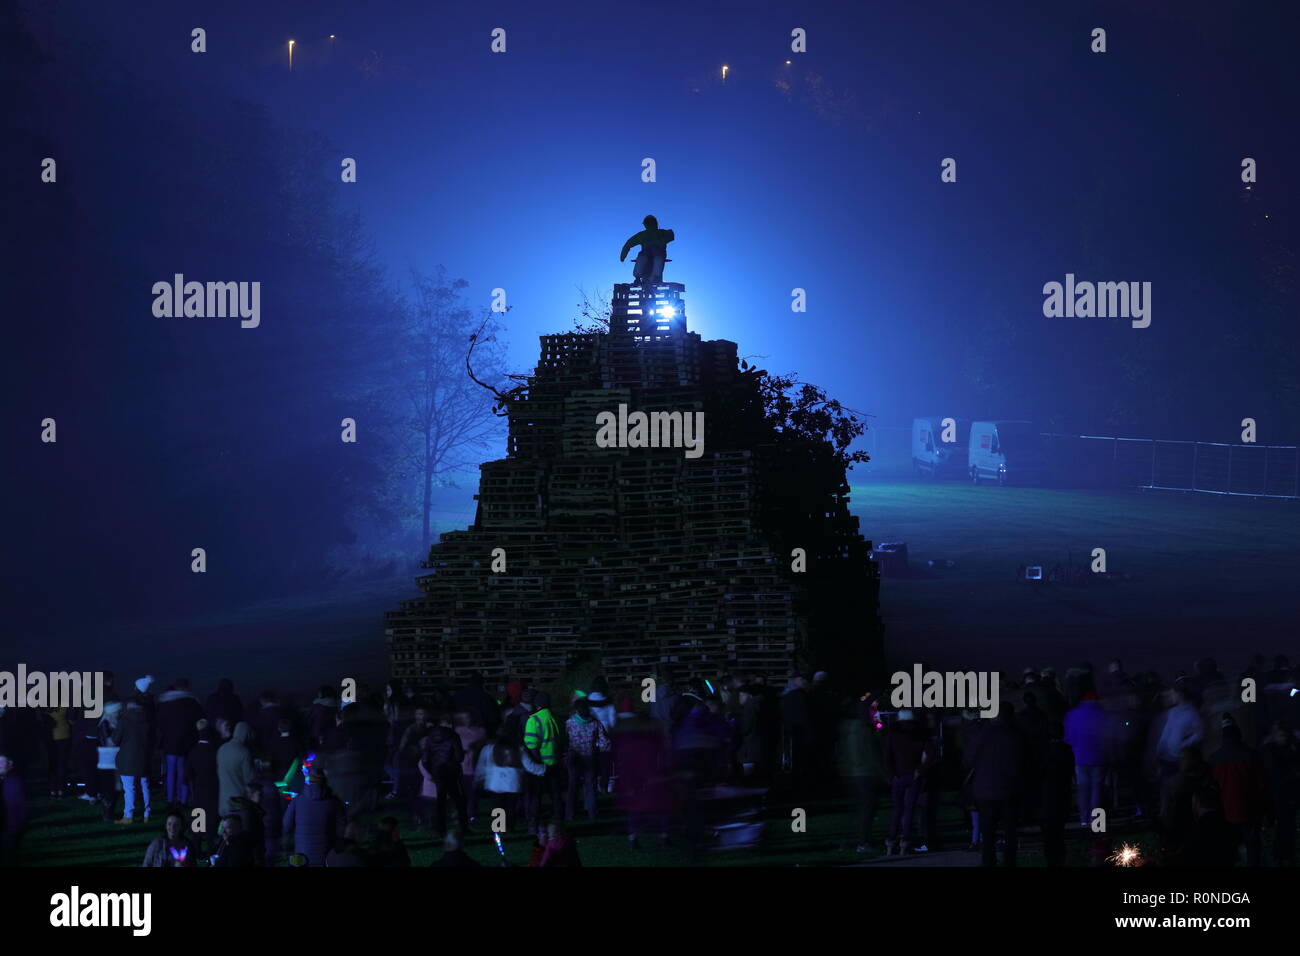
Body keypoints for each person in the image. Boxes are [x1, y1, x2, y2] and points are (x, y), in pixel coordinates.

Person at [837, 697, 885, 854]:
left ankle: (848, 842)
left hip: (851, 773)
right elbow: (872, 755)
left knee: (856, 810)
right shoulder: (865, 731)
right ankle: (863, 842)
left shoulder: (846, 728)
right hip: (865, 773)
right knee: (867, 810)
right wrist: (884, 774)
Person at [1064, 690, 1109, 828]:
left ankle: (1083, 820)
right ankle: (1097, 823)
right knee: (1097, 789)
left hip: (1079, 757)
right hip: (1099, 757)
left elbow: (1068, 737)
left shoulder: (1072, 715)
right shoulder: (1103, 714)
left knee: (1083, 789)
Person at [282, 769, 345, 867]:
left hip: (302, 855)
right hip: (326, 854)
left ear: (310, 781)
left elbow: (286, 825)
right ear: (325, 781)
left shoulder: (297, 801)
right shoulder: (334, 803)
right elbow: (341, 828)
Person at [157, 679, 204, 805]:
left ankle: (170, 799)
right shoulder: (192, 702)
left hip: (169, 741)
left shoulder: (165, 702)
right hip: (187, 742)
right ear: (187, 687)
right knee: (183, 771)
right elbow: (200, 721)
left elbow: (160, 723)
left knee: (171, 771)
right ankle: (182, 798)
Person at [521, 690, 562, 831]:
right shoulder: (555, 718)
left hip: (541, 765)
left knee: (536, 796)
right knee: (555, 794)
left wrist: (537, 763)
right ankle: (558, 820)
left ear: (537, 704)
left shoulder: (534, 720)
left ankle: (534, 824)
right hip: (555, 763)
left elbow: (532, 745)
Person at [113, 687, 154, 824]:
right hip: (144, 758)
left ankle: (128, 815)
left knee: (129, 789)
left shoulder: (124, 720)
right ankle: (147, 814)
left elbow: (115, 739)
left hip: (127, 759)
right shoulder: (147, 719)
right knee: (145, 786)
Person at [564, 697, 606, 821]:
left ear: (576, 709)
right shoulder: (595, 723)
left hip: (574, 757)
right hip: (590, 757)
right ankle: (592, 813)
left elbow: (565, 739)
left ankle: (569, 814)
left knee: (572, 786)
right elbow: (604, 742)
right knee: (591, 786)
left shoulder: (569, 722)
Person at [475, 732, 523, 829]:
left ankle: (499, 828)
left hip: (495, 783)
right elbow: (525, 764)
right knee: (510, 807)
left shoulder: (488, 749)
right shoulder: (517, 748)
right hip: (512, 783)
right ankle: (509, 827)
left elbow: (482, 764)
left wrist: (479, 777)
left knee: (498, 807)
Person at [619, 215, 675, 287]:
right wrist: (662, 241)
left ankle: (641, 277)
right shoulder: (649, 234)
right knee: (646, 257)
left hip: (655, 253)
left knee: (651, 257)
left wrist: (623, 256)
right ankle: (646, 277)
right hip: (651, 254)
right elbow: (671, 234)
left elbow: (629, 243)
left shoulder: (648, 234)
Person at [217, 722, 257, 816]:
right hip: (238, 804)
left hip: (223, 802)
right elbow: (249, 778)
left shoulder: (222, 749)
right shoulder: (244, 752)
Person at [0, 754, 27, 864]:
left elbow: (20, 806)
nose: (0, 765)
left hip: (11, 825)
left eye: (2, 762)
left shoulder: (14, 783)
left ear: (10, 765)